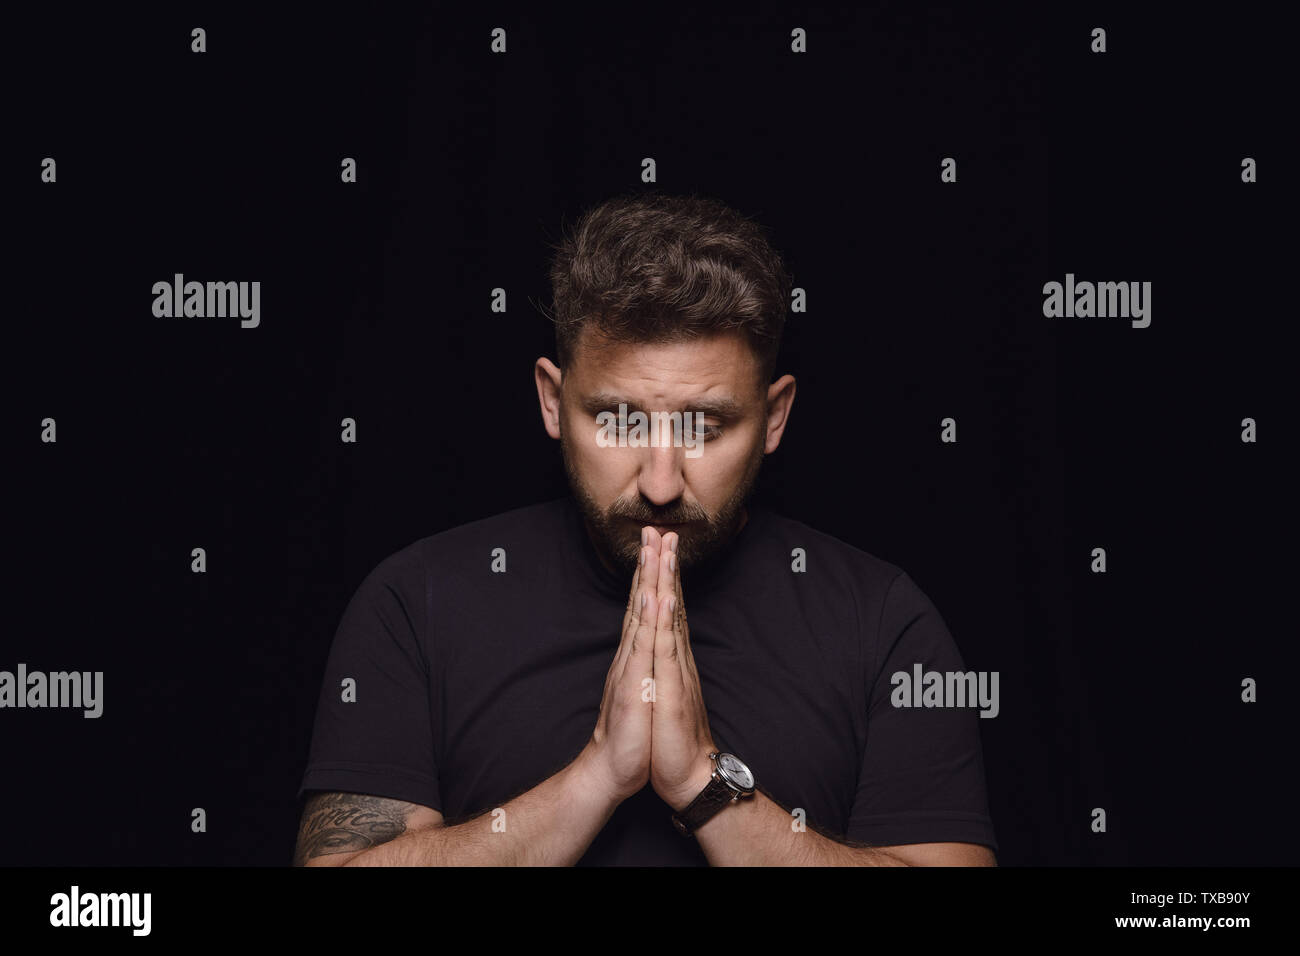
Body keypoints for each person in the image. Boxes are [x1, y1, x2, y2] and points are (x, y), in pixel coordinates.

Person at [292, 191, 998, 866]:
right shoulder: (417, 603)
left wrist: (704, 784)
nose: (661, 485)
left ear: (775, 416)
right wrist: (599, 776)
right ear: (551, 399)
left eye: (706, 428)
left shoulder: (882, 623)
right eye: (618, 421)